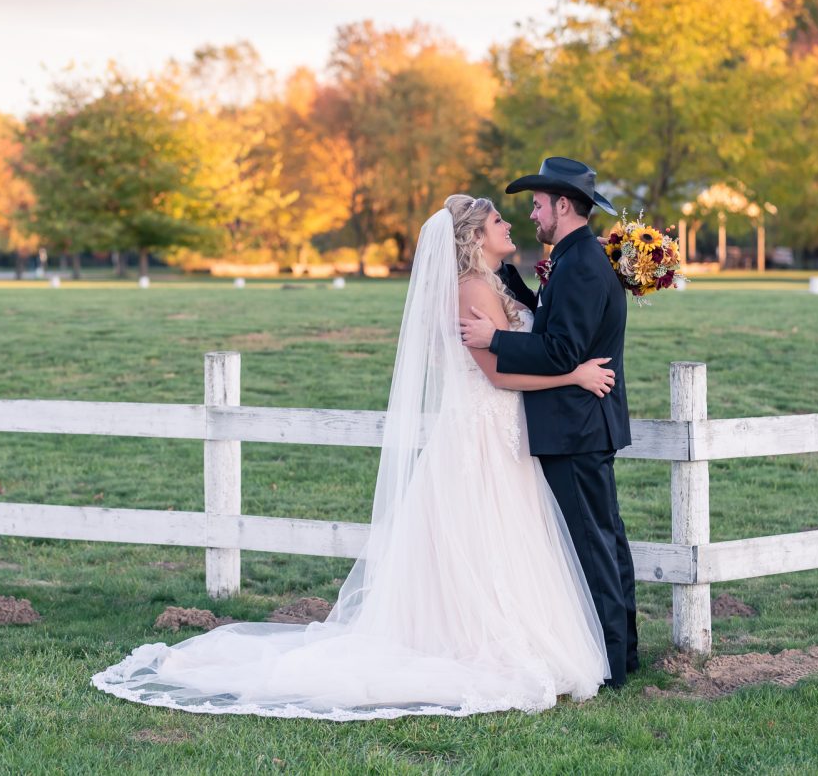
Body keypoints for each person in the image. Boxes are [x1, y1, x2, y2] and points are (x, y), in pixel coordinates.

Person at [92, 195, 614, 720]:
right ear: (475, 237)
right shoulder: (471, 289)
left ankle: (508, 635)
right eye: (499, 220)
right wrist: (575, 375)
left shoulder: (496, 282)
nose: (512, 224)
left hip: (501, 436)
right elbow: (498, 375)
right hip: (479, 438)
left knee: (503, 543)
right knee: (482, 541)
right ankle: (476, 643)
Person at [460, 157, 639, 687]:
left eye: (538, 205)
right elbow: (560, 325)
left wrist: (495, 339)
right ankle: (621, 653)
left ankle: (610, 663)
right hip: (578, 424)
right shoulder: (574, 258)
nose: (532, 215)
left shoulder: (582, 263)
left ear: (563, 205)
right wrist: (517, 287)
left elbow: (562, 349)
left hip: (578, 426)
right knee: (604, 539)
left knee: (594, 544)